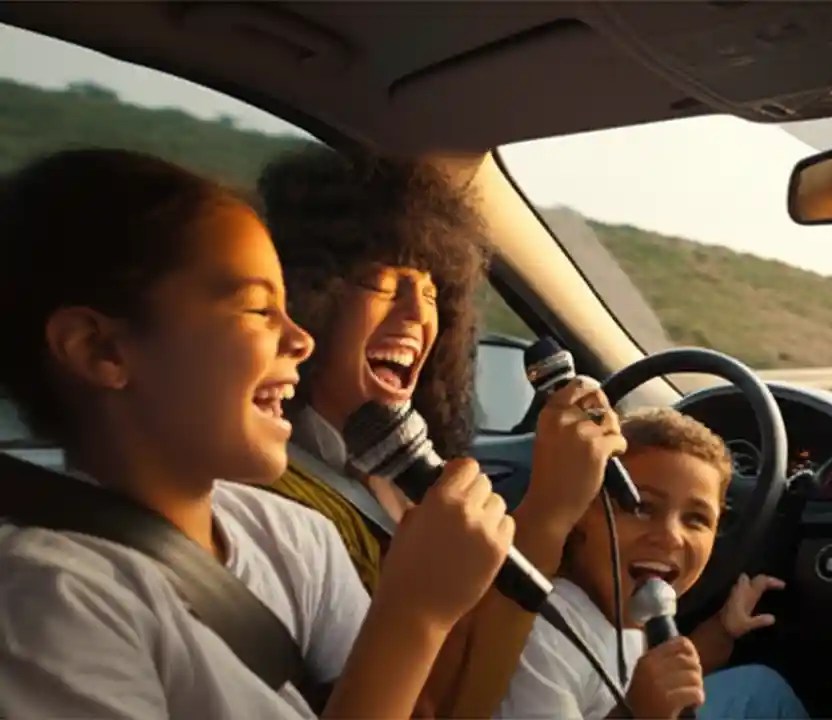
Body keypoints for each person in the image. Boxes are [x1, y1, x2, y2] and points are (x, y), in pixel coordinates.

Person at [0, 148, 514, 719]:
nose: (301, 338)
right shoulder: (49, 601)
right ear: (100, 349)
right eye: (256, 309)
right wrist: (414, 616)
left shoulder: (294, 536)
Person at [256, 146, 627, 717]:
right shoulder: (278, 502)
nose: (417, 314)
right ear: (305, 298)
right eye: (385, 283)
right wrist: (548, 513)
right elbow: (451, 707)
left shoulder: (392, 465)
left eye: (432, 292)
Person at [497, 407, 809, 719]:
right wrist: (636, 714)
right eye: (641, 507)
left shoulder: (626, 610)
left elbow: (667, 678)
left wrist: (723, 628)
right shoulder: (542, 638)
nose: (671, 537)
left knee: (760, 688)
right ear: (582, 511)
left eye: (696, 519)